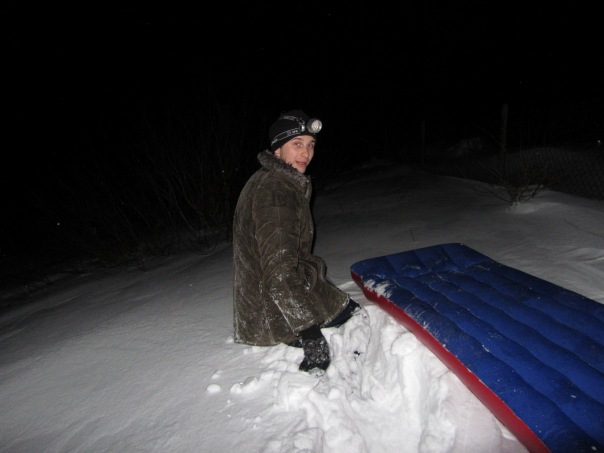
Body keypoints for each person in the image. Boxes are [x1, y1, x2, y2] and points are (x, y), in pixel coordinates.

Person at [232, 109, 361, 375]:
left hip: (278, 297)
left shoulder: (275, 179)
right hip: (274, 315)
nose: (306, 153)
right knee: (357, 318)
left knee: (350, 310)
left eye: (311, 145)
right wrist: (309, 333)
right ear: (277, 149)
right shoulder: (275, 190)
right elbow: (278, 271)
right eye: (297, 144)